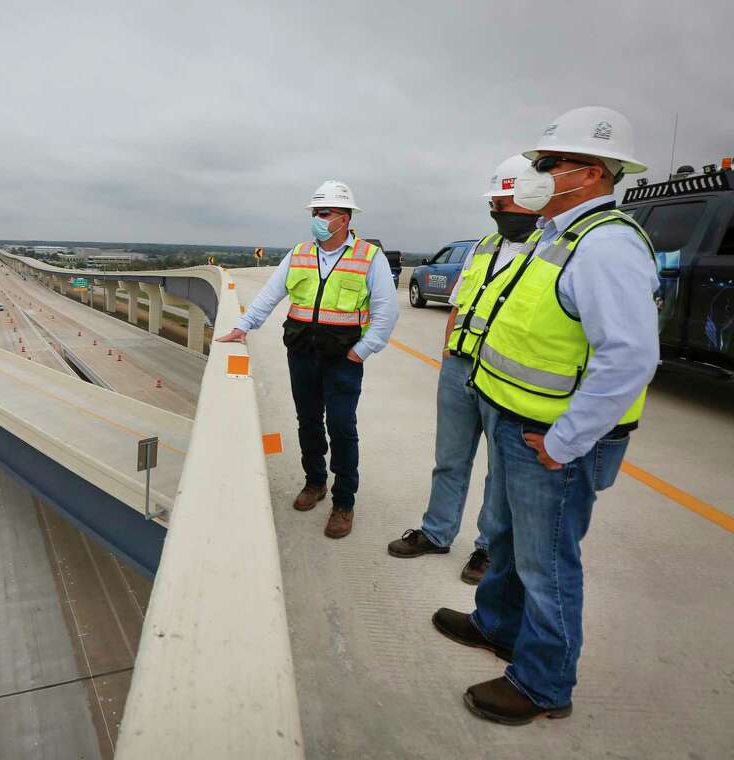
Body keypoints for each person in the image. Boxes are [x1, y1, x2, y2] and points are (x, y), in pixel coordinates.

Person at [430, 107, 659, 724]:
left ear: (587, 172)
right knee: (505, 539)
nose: (538, 175)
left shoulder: (606, 244)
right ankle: (497, 624)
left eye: (548, 165)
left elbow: (630, 358)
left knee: (547, 562)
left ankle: (542, 683)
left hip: (550, 441)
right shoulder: (559, 233)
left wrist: (565, 441)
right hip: (515, 418)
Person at [216, 180, 398, 539]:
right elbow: (270, 295)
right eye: (315, 212)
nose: (317, 218)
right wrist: (243, 326)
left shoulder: (368, 257)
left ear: (345, 218)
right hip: (302, 353)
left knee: (342, 427)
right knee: (309, 421)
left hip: (343, 359)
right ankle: (315, 482)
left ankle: (344, 502)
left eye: (324, 213)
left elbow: (386, 311)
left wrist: (363, 349)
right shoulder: (299, 253)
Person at [387, 155, 540, 584]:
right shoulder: (483, 247)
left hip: (505, 377)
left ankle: (488, 550)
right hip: (460, 368)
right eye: (494, 204)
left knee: (501, 471)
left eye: (505, 203)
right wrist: (448, 353)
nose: (497, 212)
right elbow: (459, 304)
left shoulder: (548, 251)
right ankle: (437, 533)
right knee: (449, 459)